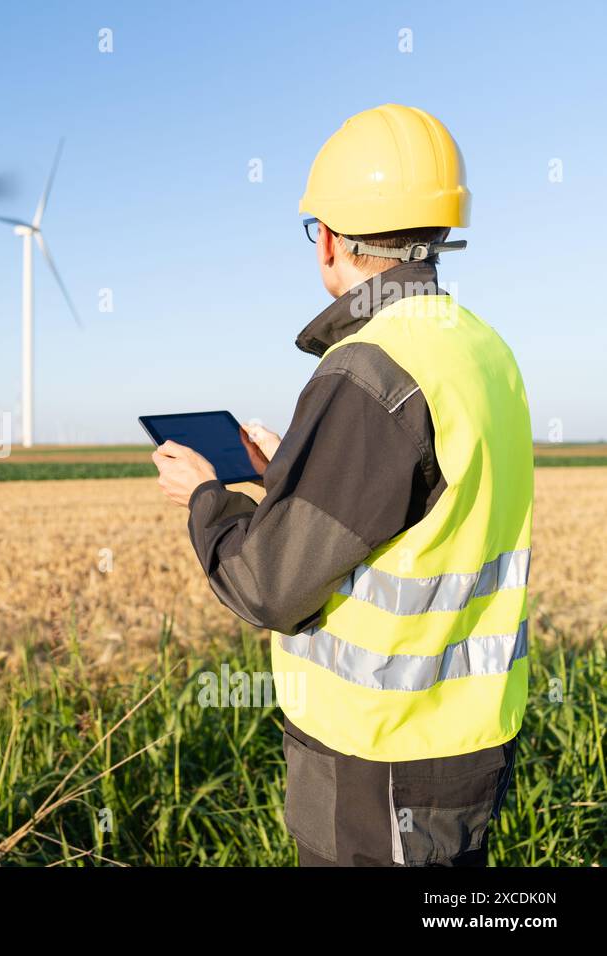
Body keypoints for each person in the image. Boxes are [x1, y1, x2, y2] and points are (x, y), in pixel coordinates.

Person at [151, 104, 530, 867]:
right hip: (467, 739)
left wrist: (206, 495)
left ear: (328, 239)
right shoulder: (482, 350)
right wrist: (296, 463)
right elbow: (425, 496)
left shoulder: (369, 368)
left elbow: (267, 585)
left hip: (377, 764)